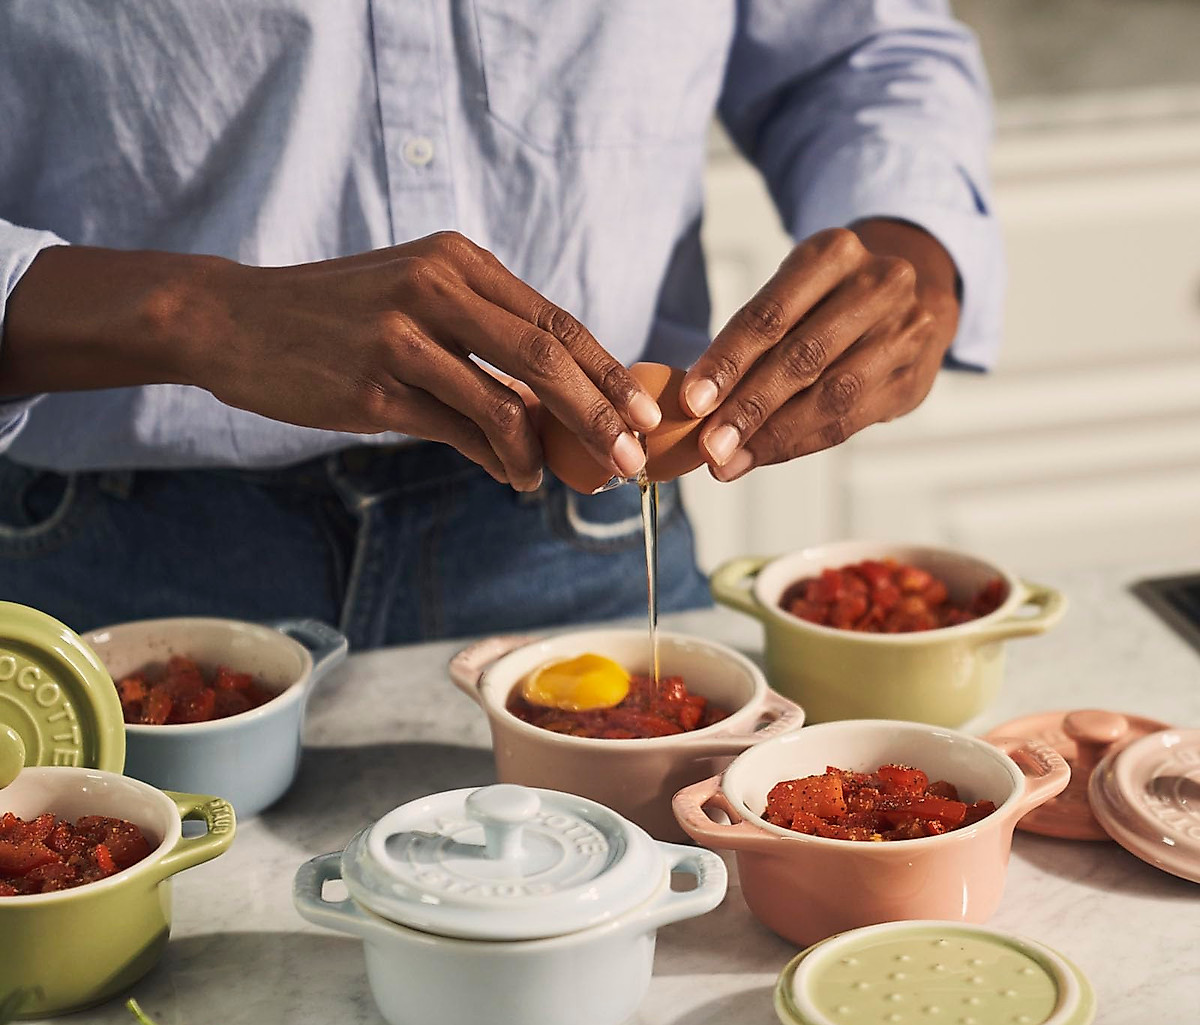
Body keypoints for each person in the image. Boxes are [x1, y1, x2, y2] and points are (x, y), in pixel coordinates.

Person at [0, 1, 1001, 647]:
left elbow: (859, 47)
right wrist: (191, 314)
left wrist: (912, 243)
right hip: (96, 558)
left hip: (585, 540)